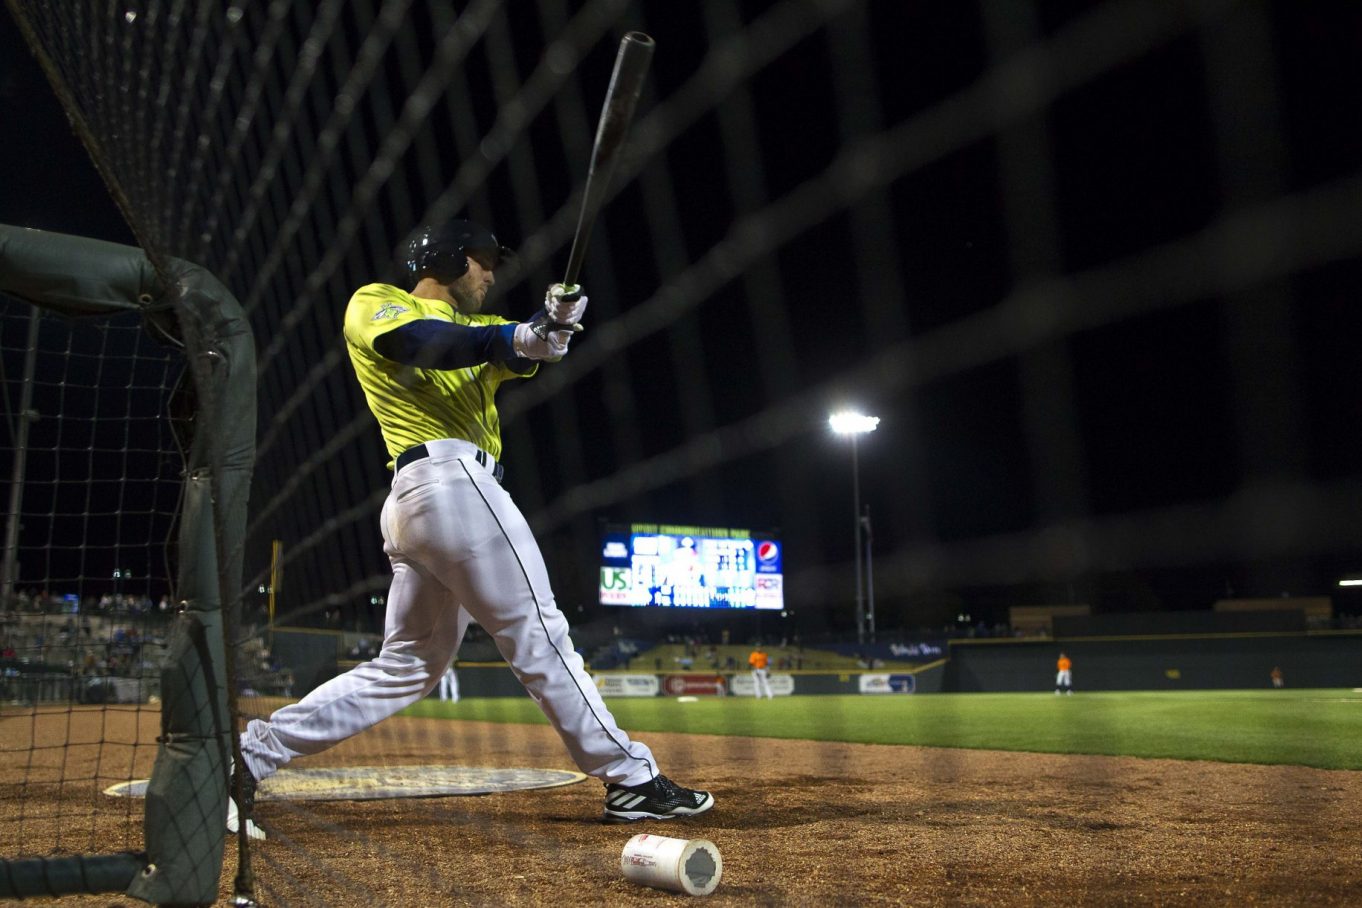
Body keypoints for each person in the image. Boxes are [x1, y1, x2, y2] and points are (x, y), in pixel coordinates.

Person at [229, 219, 712, 838]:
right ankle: (630, 779)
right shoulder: (380, 302)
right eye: (482, 262)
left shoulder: (483, 329)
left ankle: (248, 757)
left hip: (430, 503)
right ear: (448, 259)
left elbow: (523, 350)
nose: (490, 274)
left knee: (406, 665)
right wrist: (524, 332)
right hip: (446, 482)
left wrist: (552, 327)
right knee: (539, 634)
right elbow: (418, 343)